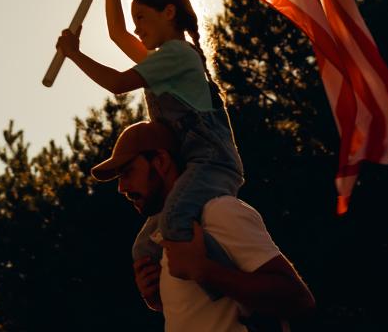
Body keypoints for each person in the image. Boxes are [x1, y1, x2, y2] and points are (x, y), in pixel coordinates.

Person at [55, 0, 244, 295]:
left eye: (142, 17)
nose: (137, 28)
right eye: (135, 19)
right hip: (192, 167)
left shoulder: (176, 55)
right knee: (145, 245)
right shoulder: (164, 61)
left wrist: (74, 54)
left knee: (173, 220)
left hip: (211, 163)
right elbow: (117, 34)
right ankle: (163, 298)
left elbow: (116, 83)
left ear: (168, 12)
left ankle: (231, 287)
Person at [95, 121, 315, 330]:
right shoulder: (163, 235)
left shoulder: (219, 211)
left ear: (160, 161)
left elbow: (298, 299)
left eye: (128, 172)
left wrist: (204, 271)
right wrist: (156, 298)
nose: (121, 187)